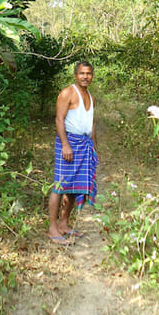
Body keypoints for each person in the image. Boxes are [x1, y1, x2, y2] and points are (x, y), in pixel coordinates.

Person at [48, 61, 98, 245]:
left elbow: (91, 124)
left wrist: (94, 148)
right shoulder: (68, 93)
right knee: (60, 185)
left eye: (89, 73)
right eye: (82, 73)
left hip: (84, 145)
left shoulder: (91, 97)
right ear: (75, 75)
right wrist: (65, 145)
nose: (85, 76)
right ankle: (52, 228)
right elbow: (59, 119)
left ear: (92, 76)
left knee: (76, 187)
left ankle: (64, 224)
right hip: (69, 142)